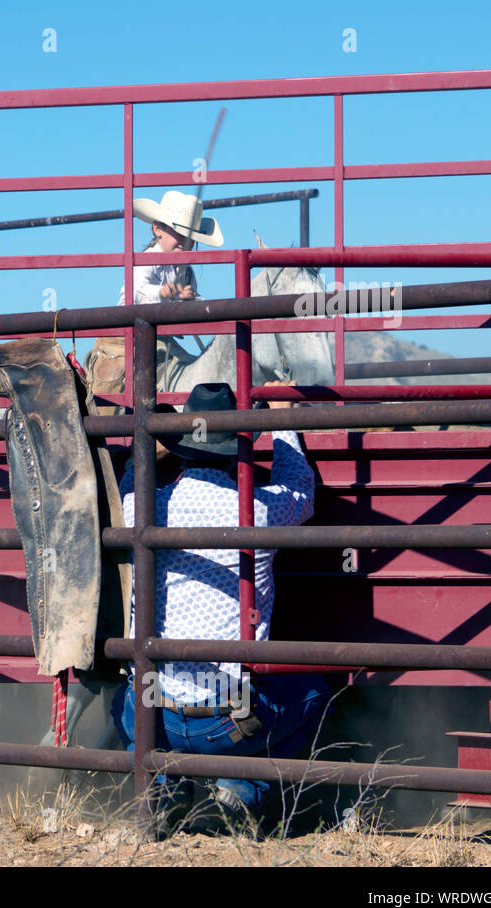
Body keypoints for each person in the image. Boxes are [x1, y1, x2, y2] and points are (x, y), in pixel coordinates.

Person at [115, 381, 330, 832]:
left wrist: (151, 434)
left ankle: (166, 786)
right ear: (239, 448)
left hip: (152, 717)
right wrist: (281, 421)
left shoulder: (140, 506)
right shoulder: (257, 510)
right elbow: (300, 489)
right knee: (313, 688)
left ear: (183, 449)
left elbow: (132, 473)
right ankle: (244, 785)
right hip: (229, 723)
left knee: (122, 692)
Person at [93, 190, 227, 402]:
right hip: (126, 335)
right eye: (178, 232)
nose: (184, 241)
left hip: (162, 340)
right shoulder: (147, 259)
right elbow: (135, 292)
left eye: (190, 237)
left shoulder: (187, 272)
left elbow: (196, 305)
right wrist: (162, 293)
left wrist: (191, 302)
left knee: (192, 368)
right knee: (118, 378)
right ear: (158, 229)